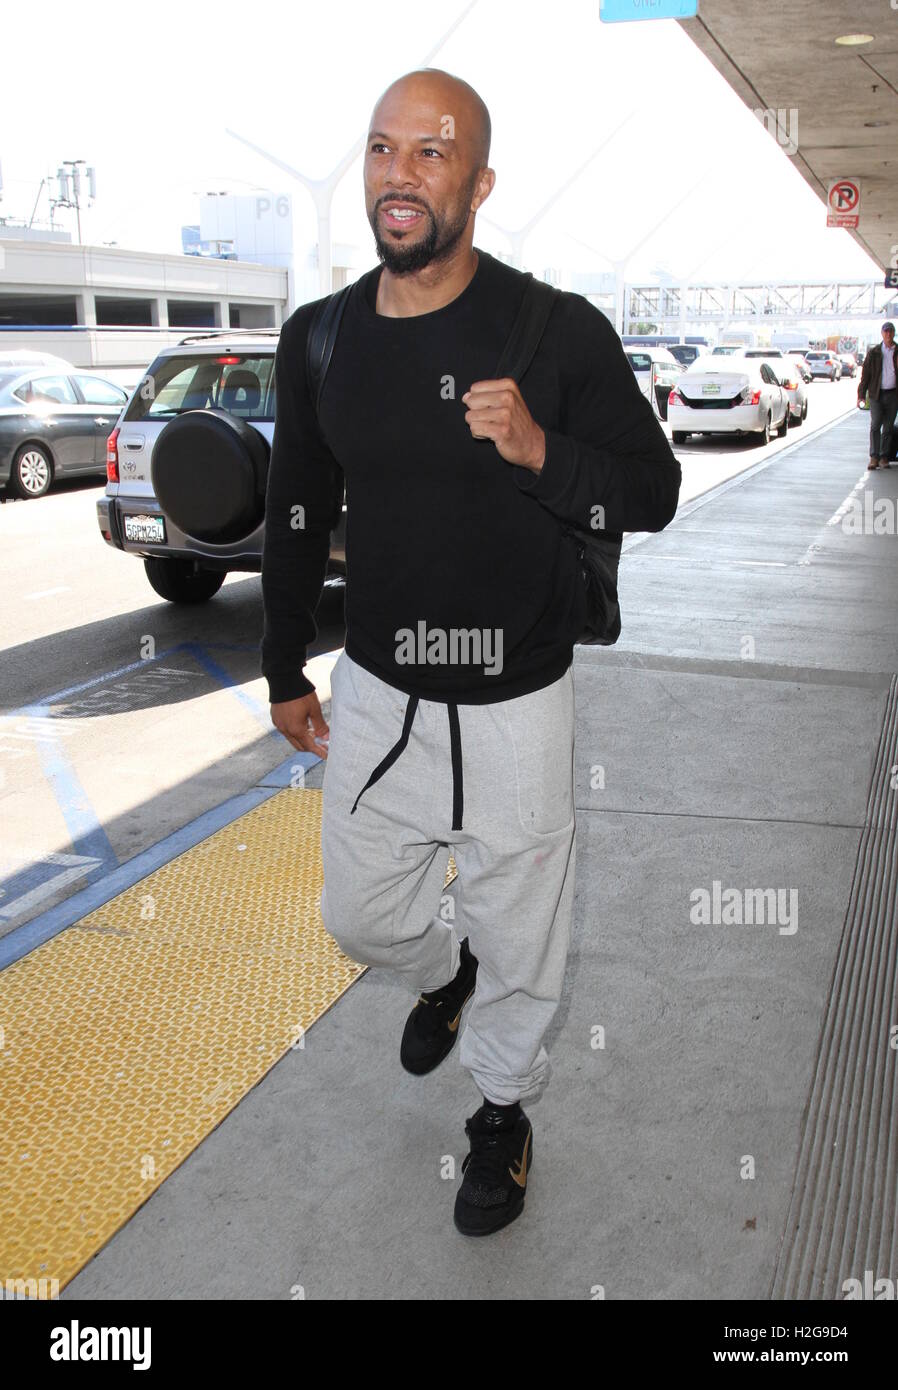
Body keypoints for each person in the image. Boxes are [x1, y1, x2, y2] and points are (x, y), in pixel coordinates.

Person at [260, 68, 681, 1237]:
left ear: (479, 182)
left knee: (526, 930)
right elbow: (295, 507)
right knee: (361, 916)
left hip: (518, 697)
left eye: (432, 153)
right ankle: (443, 970)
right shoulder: (322, 337)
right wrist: (283, 665)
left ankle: (500, 1110)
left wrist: (543, 450)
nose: (401, 174)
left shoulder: (553, 330)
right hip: (380, 693)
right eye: (383, 149)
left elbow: (652, 489)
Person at [858, 321, 898, 469]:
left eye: (891, 331)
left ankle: (884, 457)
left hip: (893, 394)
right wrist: (861, 394)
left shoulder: (897, 352)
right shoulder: (874, 353)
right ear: (882, 333)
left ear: (893, 334)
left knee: (888, 428)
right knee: (875, 425)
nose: (888, 334)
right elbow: (865, 375)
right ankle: (874, 457)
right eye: (886, 331)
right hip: (876, 394)